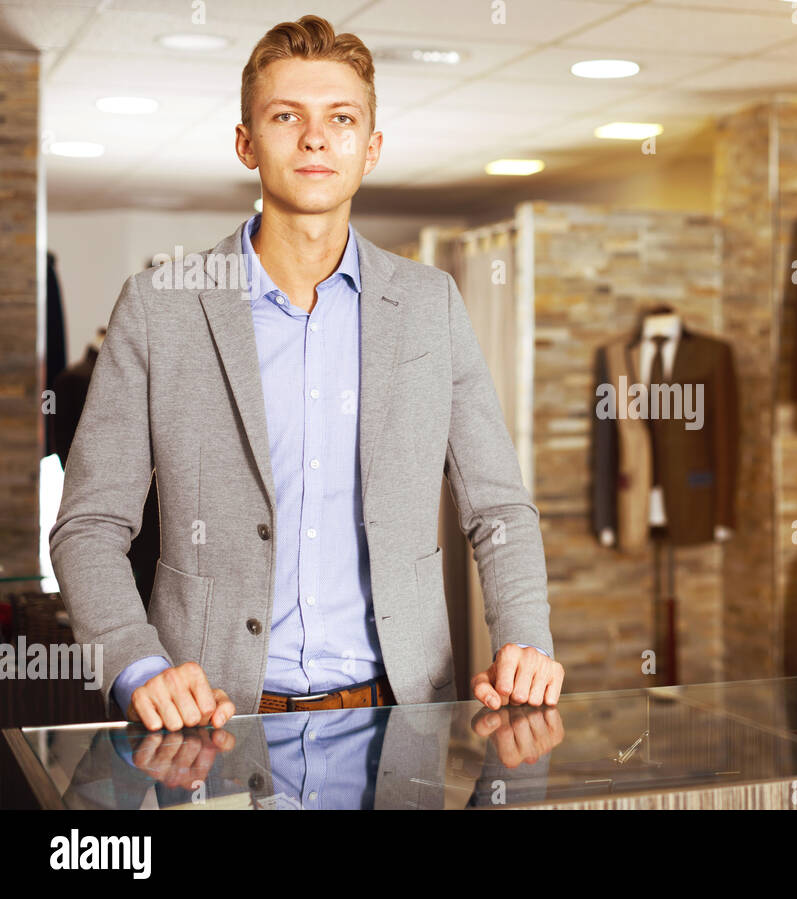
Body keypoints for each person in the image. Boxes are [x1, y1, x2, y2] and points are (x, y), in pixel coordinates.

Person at [49, 15, 563, 733]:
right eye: (286, 115)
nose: (316, 138)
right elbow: (89, 525)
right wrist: (137, 666)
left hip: (401, 719)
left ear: (371, 147)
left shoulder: (430, 305)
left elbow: (499, 511)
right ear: (245, 142)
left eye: (341, 118)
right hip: (209, 726)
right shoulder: (160, 308)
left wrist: (527, 639)